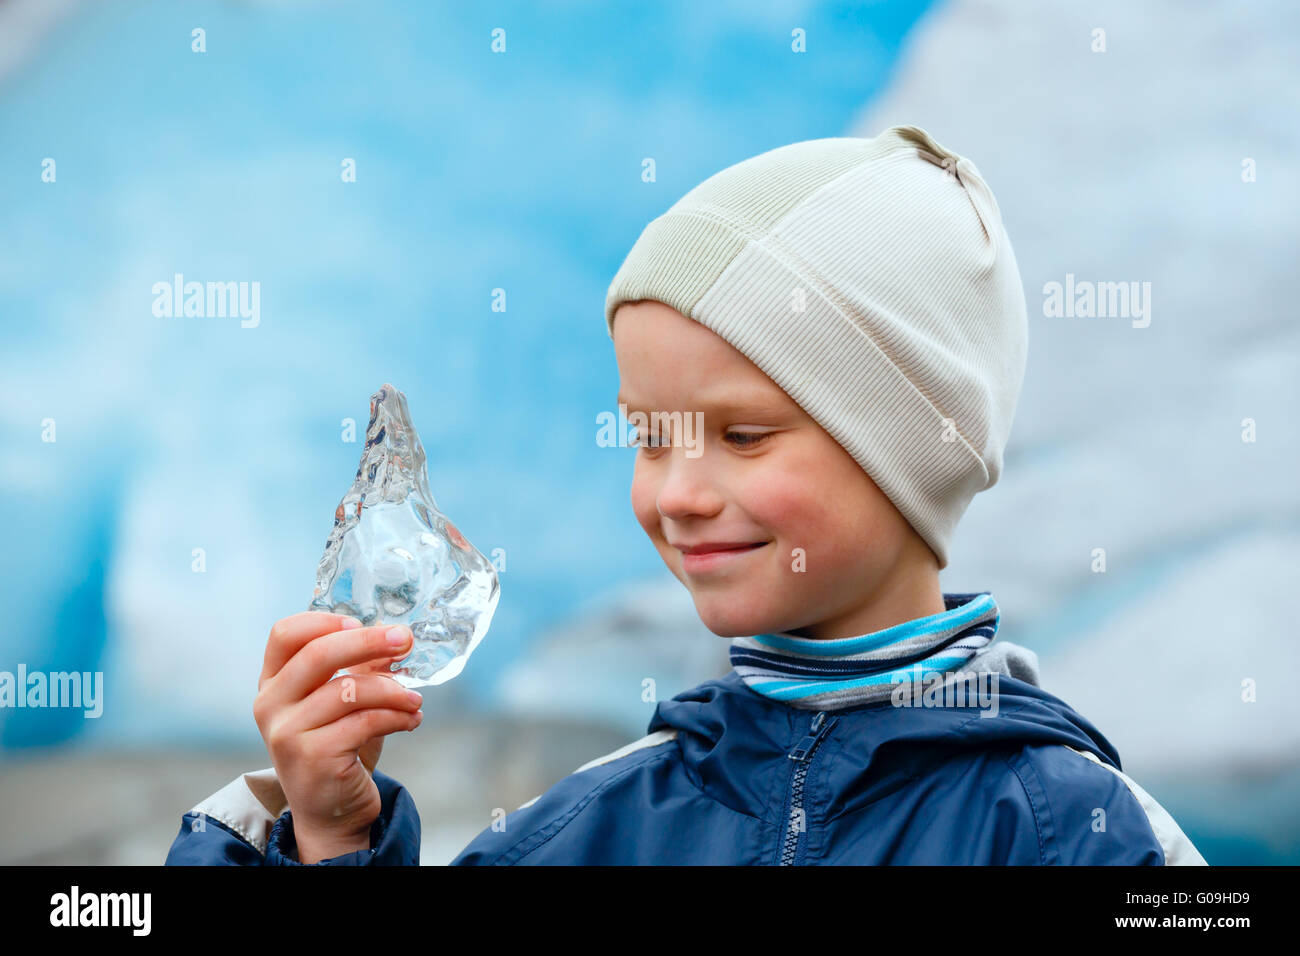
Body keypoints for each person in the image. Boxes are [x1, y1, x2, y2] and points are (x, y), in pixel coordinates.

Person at [165, 124, 1206, 866]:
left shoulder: (1080, 834)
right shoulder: (583, 828)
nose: (678, 492)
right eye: (647, 437)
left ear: (916, 444)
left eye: (742, 435)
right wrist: (329, 835)